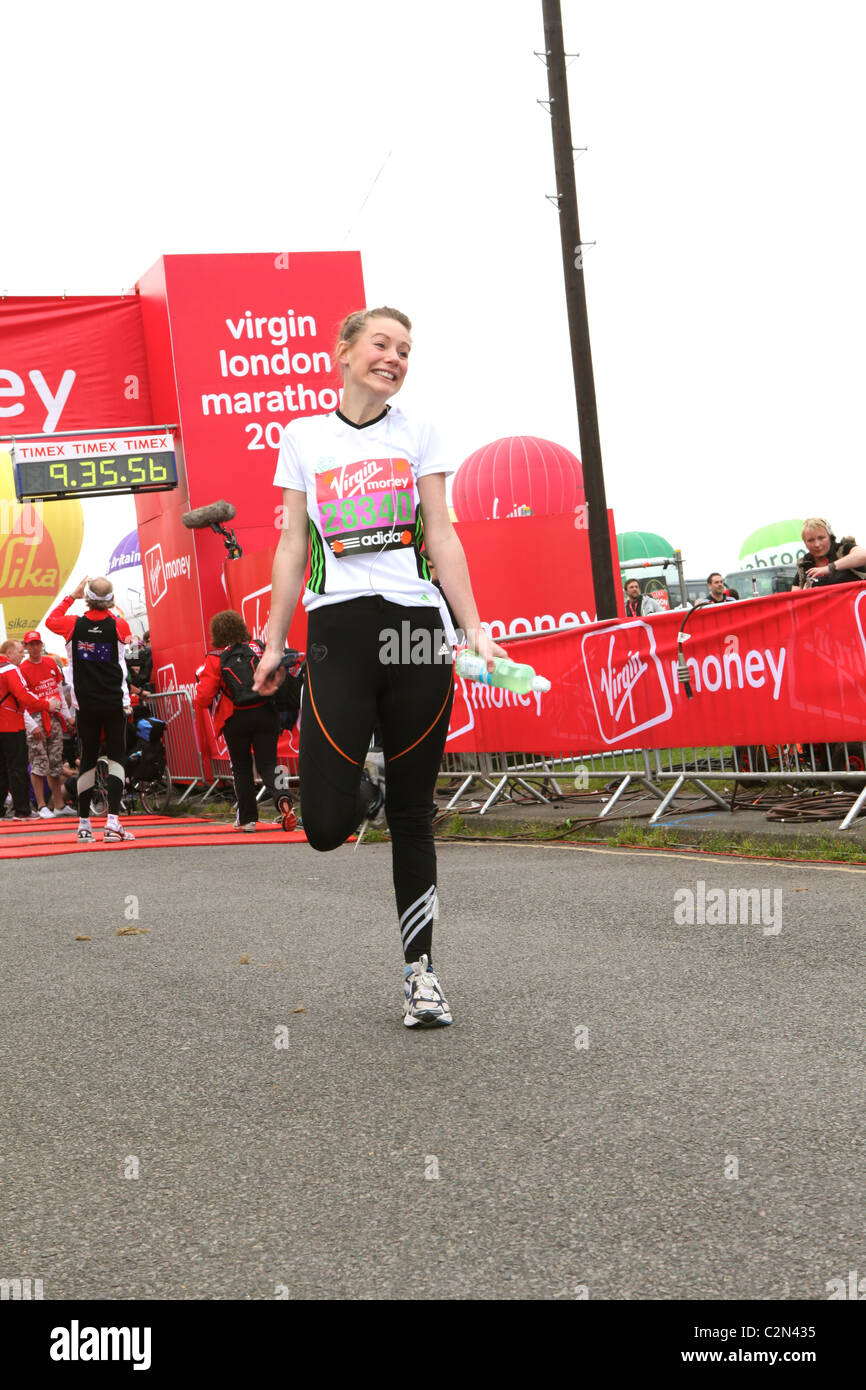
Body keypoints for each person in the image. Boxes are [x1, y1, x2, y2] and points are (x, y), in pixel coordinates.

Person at [253, 305, 508, 1028]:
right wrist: (273, 643)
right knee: (326, 825)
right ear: (343, 351)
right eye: (381, 344)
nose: (394, 358)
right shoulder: (303, 436)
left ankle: (420, 973)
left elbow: (441, 532)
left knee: (414, 813)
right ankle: (359, 788)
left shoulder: (418, 431)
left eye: (404, 349)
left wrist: (474, 629)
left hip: (415, 630)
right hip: (338, 628)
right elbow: (292, 546)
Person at [45, 575, 135, 843]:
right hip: (113, 702)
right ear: (111, 600)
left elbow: (51, 621)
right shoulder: (119, 624)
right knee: (117, 758)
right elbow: (130, 642)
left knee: (87, 761)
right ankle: (113, 823)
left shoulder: (73, 624)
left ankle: (84, 825)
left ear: (88, 598)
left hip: (85, 704)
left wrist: (71, 595)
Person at [194, 610, 295, 833]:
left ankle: (247, 819)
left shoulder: (215, 658)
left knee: (241, 768)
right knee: (269, 764)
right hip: (265, 713)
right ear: (241, 626)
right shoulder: (258, 648)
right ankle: (284, 801)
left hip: (235, 718)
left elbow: (202, 698)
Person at [0, 639, 61, 820]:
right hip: (12, 723)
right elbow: (23, 694)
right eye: (20, 651)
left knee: (2, 769)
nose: (23, 654)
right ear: (9, 653)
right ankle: (22, 810)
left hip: (4, 723)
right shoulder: (10, 669)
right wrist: (46, 705)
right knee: (17, 767)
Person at [19, 630, 74, 816]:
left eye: (37, 643)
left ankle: (59, 804)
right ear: (25, 647)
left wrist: (68, 716)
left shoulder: (51, 662)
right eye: (31, 644)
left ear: (41, 645)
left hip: (54, 716)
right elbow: (22, 700)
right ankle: (42, 805)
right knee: (39, 761)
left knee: (55, 762)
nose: (35, 647)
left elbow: (58, 690)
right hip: (35, 717)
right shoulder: (22, 669)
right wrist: (31, 725)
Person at [792, 517, 866, 589]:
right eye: (811, 540)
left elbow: (863, 555)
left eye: (821, 538)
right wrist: (805, 594)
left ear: (830, 537)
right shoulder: (805, 564)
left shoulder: (843, 550)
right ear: (805, 543)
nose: (817, 544)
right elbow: (793, 597)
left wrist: (830, 568)